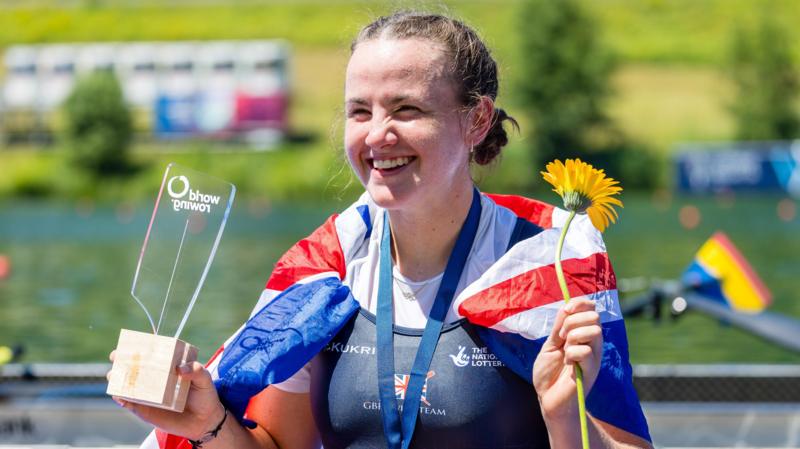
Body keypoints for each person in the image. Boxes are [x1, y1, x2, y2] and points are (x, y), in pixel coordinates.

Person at [112, 11, 653, 449]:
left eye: (407, 108)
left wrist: (564, 422)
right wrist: (209, 424)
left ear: (477, 120)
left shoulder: (550, 262)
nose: (378, 135)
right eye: (359, 111)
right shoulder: (322, 270)